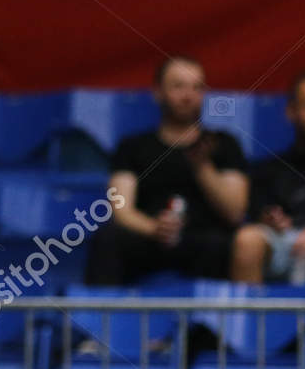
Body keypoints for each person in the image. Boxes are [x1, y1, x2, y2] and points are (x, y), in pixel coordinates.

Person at [87, 56, 249, 284]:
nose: (188, 95)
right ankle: (100, 308)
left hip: (202, 242)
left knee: (227, 243)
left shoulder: (223, 144)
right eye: (178, 86)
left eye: (196, 87)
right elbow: (121, 209)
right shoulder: (133, 147)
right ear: (157, 92)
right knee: (108, 237)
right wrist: (154, 228)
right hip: (146, 236)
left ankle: (212, 309)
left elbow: (235, 213)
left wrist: (202, 167)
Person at [233, 71, 305, 283]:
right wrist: (271, 220)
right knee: (247, 240)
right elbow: (257, 215)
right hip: (285, 241)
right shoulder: (269, 169)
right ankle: (247, 306)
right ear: (291, 111)